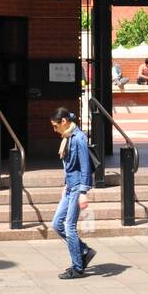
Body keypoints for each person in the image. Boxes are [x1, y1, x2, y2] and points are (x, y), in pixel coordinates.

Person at [50, 107, 96, 280]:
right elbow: (69, 166)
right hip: (70, 187)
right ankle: (84, 251)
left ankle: (77, 268)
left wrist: (83, 192)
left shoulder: (78, 138)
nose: (54, 129)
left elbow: (85, 167)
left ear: (64, 122)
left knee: (69, 227)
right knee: (57, 224)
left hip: (77, 188)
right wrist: (65, 184)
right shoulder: (67, 137)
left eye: (55, 126)